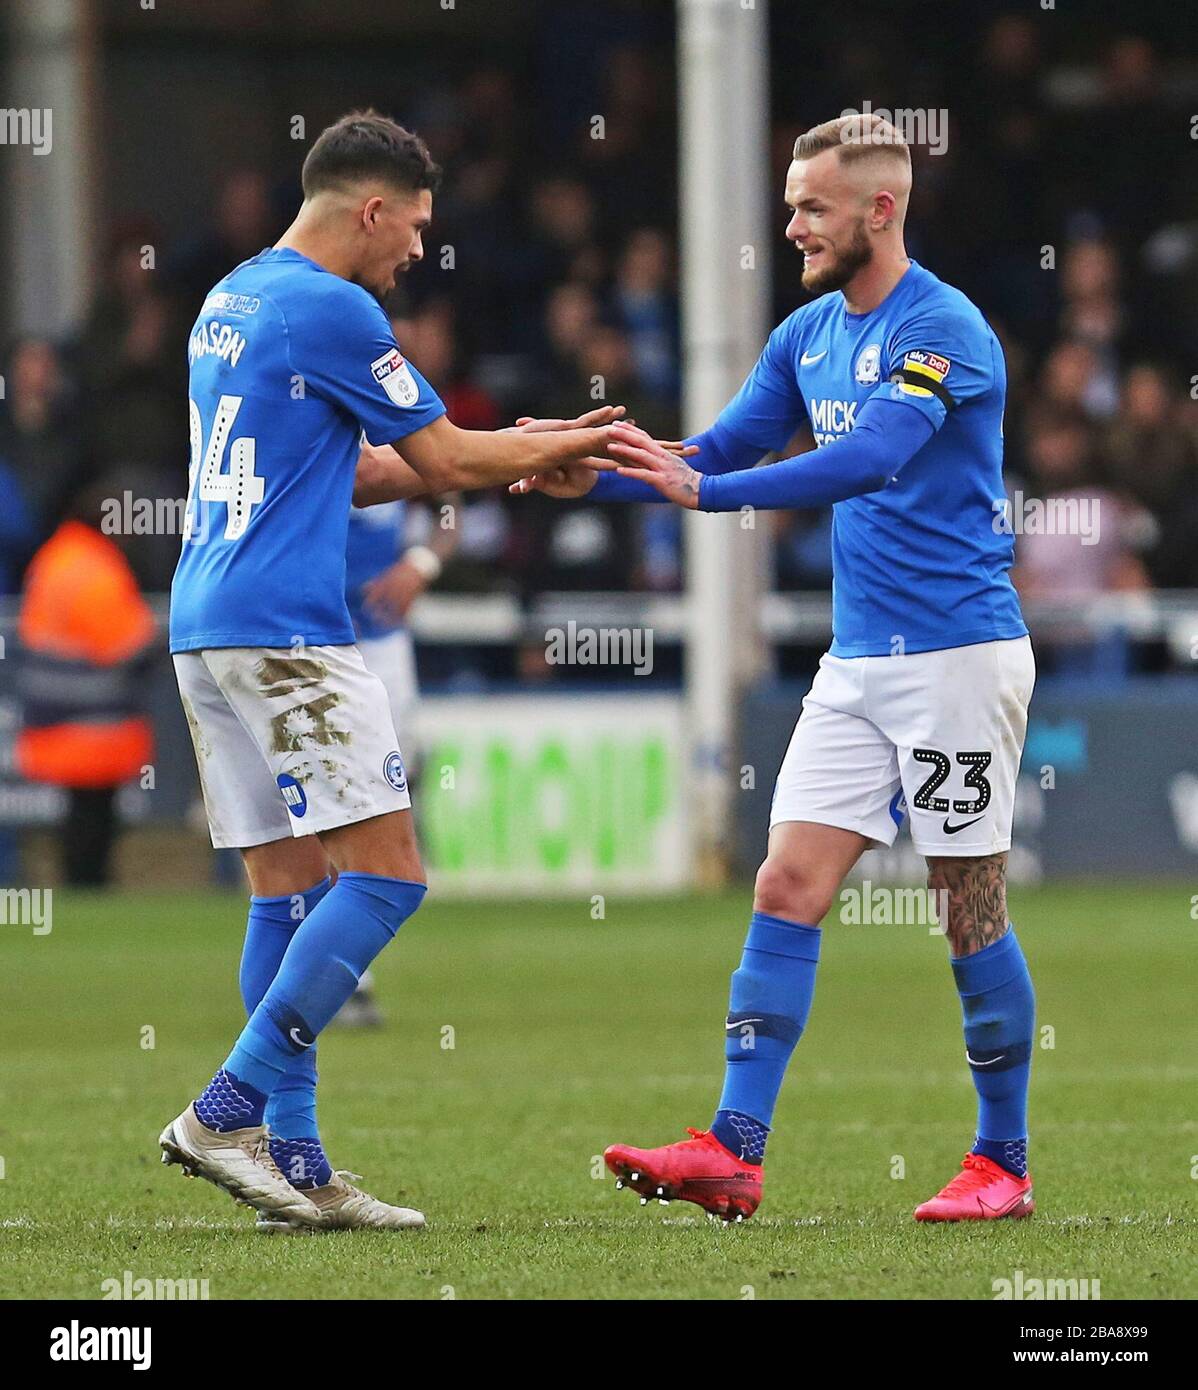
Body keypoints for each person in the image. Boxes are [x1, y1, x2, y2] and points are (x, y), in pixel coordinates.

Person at [518, 114, 1038, 1224]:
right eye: (791, 201)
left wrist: (703, 497)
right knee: (785, 884)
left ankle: (1003, 1161)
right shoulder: (806, 334)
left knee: (966, 905)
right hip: (857, 660)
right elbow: (710, 452)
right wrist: (587, 473)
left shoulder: (945, 328)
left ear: (880, 210)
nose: (791, 223)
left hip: (956, 655)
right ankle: (732, 1148)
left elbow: (868, 459)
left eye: (811, 205)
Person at [160, 109, 668, 1233]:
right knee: (388, 877)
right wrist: (559, 446)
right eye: (415, 230)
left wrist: (511, 460)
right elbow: (442, 454)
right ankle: (225, 1109)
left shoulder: (231, 297)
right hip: (290, 627)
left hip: (206, 621)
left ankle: (294, 1170)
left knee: (286, 895)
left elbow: (349, 475)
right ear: (371, 208)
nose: (415, 256)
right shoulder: (333, 306)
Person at [16, 495, 156, 885]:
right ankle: (88, 884)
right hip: (94, 725)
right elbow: (129, 643)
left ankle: (80, 884)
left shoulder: (55, 557)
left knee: (78, 814)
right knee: (93, 820)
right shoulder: (94, 567)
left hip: (56, 717)